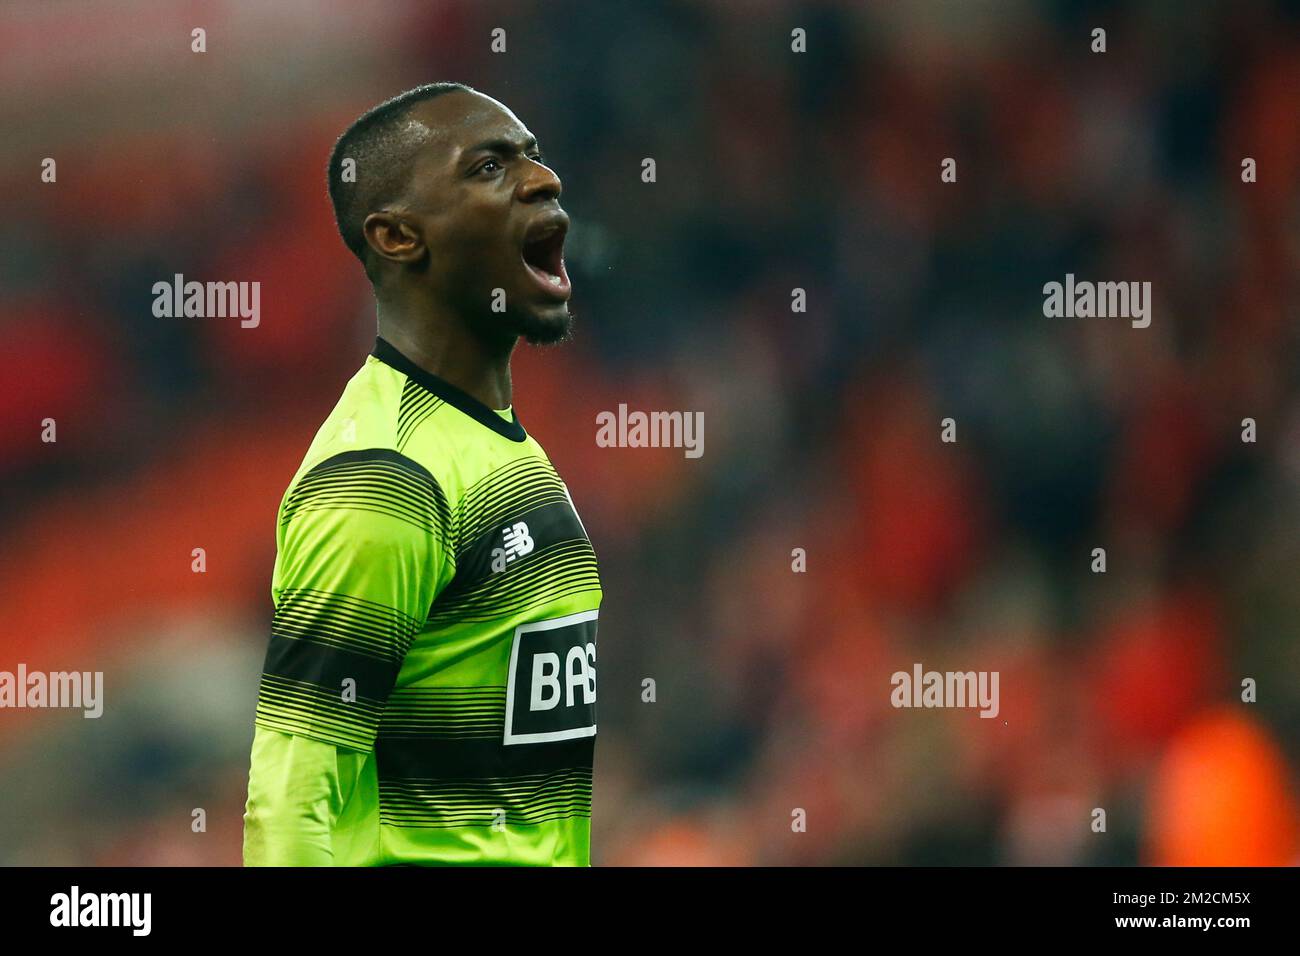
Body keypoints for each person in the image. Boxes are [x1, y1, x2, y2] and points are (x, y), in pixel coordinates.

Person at [242, 82, 601, 865]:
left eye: (533, 158)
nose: (543, 180)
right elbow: (293, 801)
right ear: (400, 237)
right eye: (489, 168)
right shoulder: (386, 476)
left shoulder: (497, 448)